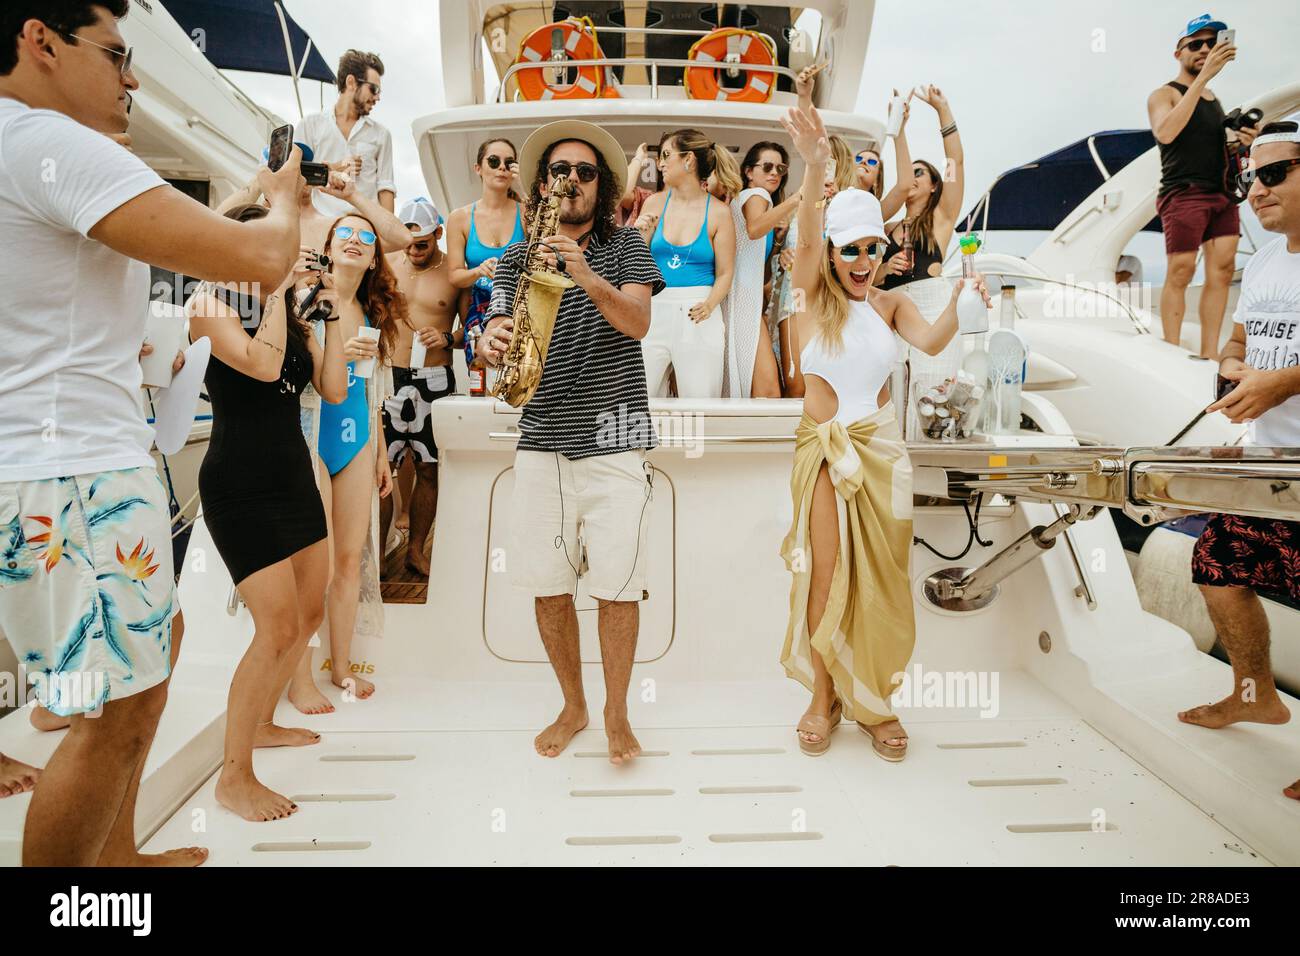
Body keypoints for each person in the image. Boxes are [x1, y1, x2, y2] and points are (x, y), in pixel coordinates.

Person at [0, 0, 300, 865]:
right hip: (76, 477)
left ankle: (119, 857)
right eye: (117, 55)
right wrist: (282, 202)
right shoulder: (53, 146)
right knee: (115, 712)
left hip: (60, 468)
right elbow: (261, 258)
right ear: (40, 40)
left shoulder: (24, 148)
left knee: (152, 650)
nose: (132, 79)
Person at [778, 103, 988, 760]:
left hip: (882, 453)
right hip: (824, 453)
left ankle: (874, 700)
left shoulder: (894, 304)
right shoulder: (811, 296)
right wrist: (814, 170)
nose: (864, 261)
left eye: (874, 248)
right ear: (835, 254)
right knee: (825, 575)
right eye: (852, 250)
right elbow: (807, 233)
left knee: (885, 580)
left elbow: (930, 342)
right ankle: (823, 695)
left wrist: (961, 301)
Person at [478, 120, 665, 764]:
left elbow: (638, 322)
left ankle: (616, 711)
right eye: (561, 171)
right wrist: (489, 336)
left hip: (616, 437)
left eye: (585, 172)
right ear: (542, 184)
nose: (572, 182)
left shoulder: (626, 246)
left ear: (602, 183)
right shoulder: (518, 253)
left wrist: (584, 271)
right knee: (549, 584)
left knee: (618, 585)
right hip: (541, 437)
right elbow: (499, 314)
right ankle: (574, 703)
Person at [186, 204, 349, 821]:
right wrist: (282, 294)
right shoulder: (209, 305)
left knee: (309, 609)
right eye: (264, 244)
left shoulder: (289, 307)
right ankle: (234, 777)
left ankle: (261, 721)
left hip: (291, 475)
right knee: (276, 626)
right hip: (239, 480)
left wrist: (329, 318)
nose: (277, 254)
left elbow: (332, 389)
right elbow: (257, 364)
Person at [1182, 121, 1300, 801]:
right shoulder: (1264, 262)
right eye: (1250, 177)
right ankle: (1255, 694)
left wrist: (1281, 383)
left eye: (1275, 174)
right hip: (1268, 460)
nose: (1256, 190)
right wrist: (1232, 371)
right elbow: (1237, 339)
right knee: (1218, 568)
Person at [315, 214, 401, 701]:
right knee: (316, 566)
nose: (355, 240)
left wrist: (381, 451)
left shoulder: (371, 315)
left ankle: (341, 666)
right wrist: (339, 356)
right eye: (344, 233)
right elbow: (296, 381)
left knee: (350, 560)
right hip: (311, 442)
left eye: (366, 238)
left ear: (372, 260)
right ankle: (297, 674)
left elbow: (373, 393)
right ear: (328, 245)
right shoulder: (308, 303)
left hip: (355, 441)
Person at [1148, 14, 1258, 359]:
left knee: (1223, 270)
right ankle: (1171, 351)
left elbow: (1212, 147)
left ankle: (1209, 354)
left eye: (1212, 43)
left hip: (1222, 195)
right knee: (1181, 269)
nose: (1205, 50)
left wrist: (1243, 141)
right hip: (1184, 192)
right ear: (1178, 53)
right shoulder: (1163, 94)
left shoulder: (1213, 101)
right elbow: (1165, 132)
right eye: (1196, 45)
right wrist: (1204, 77)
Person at [380, 198, 462, 575]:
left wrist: (446, 337)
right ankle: (379, 551)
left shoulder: (453, 272)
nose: (414, 251)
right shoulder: (386, 264)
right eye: (409, 243)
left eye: (423, 244)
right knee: (382, 469)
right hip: (389, 375)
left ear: (438, 235)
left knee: (429, 468)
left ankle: (416, 549)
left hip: (434, 378)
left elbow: (475, 328)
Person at [636, 129, 736, 398]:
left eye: (667, 155)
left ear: (689, 160)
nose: (661, 163)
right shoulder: (654, 203)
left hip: (699, 311)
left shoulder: (719, 212)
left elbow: (726, 272)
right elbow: (637, 263)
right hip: (653, 309)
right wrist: (640, 235)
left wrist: (710, 305)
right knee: (640, 403)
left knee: (700, 402)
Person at [219, 141, 411, 252]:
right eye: (290, 168)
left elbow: (402, 238)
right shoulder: (254, 224)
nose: (297, 175)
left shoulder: (334, 229)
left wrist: (353, 195)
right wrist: (259, 181)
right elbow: (217, 225)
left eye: (303, 166)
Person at [446, 138, 526, 369]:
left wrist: (521, 185)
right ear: (478, 168)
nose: (502, 167)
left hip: (519, 308)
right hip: (480, 309)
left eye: (509, 163)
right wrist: (479, 271)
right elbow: (454, 276)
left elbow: (547, 237)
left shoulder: (526, 213)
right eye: (494, 161)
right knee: (483, 381)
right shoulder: (459, 218)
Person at [877, 84, 965, 292]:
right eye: (909, 171)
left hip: (927, 315)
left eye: (919, 173)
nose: (912, 177)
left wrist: (942, 110)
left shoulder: (941, 219)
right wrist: (885, 268)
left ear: (934, 185)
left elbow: (955, 162)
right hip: (888, 316)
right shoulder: (888, 228)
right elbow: (867, 279)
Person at [732, 141, 799, 398]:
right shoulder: (756, 196)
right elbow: (754, 228)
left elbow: (762, 272)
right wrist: (797, 199)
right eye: (767, 166)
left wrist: (779, 238)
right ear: (749, 172)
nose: (775, 173)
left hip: (747, 300)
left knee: (755, 387)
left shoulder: (759, 202)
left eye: (780, 168)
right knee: (768, 390)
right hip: (743, 301)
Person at [297, 49, 395, 217]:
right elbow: (295, 175)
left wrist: (388, 239)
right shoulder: (310, 124)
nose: (377, 97)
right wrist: (336, 167)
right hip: (319, 227)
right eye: (374, 89)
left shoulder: (382, 134)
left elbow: (385, 188)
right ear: (351, 82)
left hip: (364, 232)